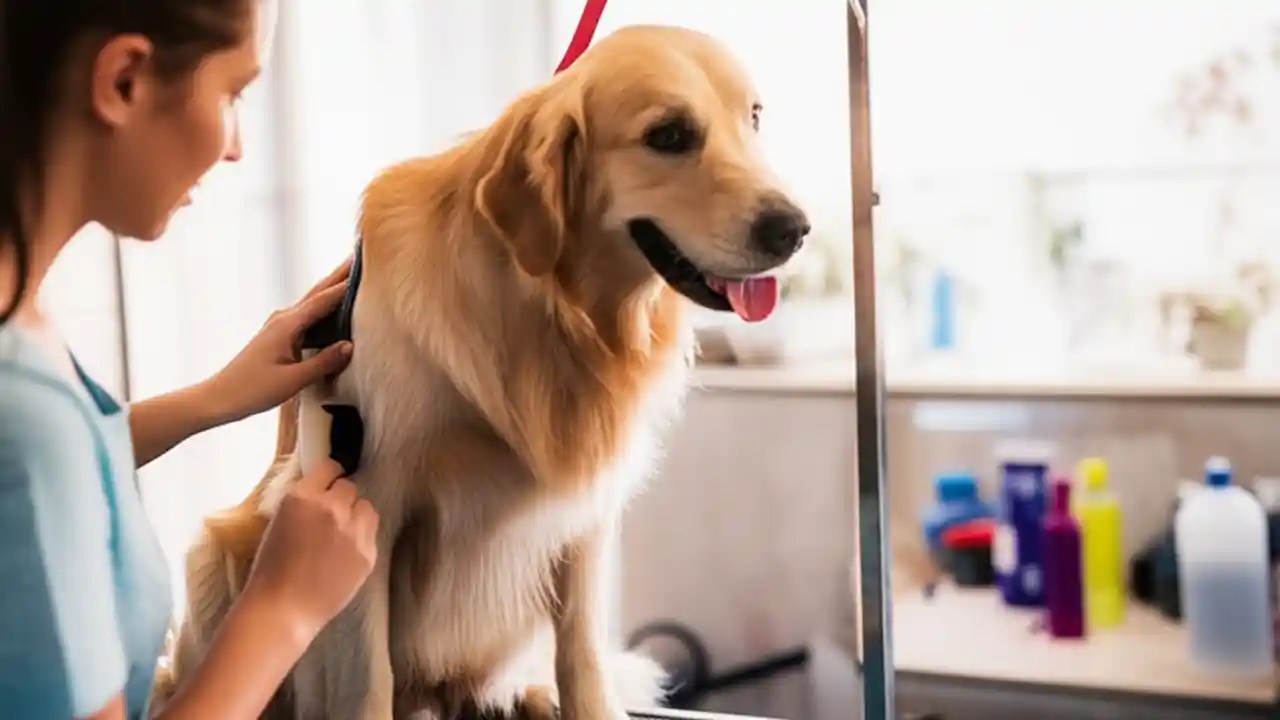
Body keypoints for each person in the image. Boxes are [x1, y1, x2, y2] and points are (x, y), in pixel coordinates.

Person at [0, 1, 381, 718]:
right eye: (232, 93)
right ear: (125, 80)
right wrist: (283, 610)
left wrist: (213, 398)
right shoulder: (25, 412)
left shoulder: (23, 325)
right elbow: (27, 457)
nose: (236, 146)